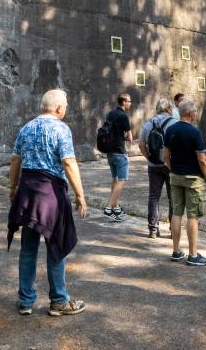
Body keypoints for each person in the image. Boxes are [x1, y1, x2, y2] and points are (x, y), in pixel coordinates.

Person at [7, 89, 88, 316]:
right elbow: (69, 163)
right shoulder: (61, 129)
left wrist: (12, 188)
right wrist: (80, 195)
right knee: (56, 247)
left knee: (28, 248)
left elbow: (15, 161)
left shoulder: (27, 128)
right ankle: (59, 301)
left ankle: (25, 301)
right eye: (66, 106)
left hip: (28, 192)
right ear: (59, 108)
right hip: (51, 194)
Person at [163, 99, 206, 266]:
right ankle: (193, 254)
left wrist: (172, 170)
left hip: (175, 176)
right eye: (196, 112)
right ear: (191, 114)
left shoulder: (170, 130)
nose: (196, 114)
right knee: (192, 216)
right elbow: (202, 159)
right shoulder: (194, 132)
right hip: (193, 178)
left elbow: (165, 156)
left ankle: (176, 251)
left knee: (176, 213)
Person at [139, 98, 176, 238]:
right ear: (169, 109)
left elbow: (141, 145)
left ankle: (153, 230)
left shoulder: (149, 124)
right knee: (174, 198)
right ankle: (174, 230)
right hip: (171, 165)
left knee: (154, 196)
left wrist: (148, 157)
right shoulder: (174, 123)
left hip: (153, 165)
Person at [101, 94, 133, 222]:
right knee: (122, 180)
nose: (130, 104)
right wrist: (127, 140)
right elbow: (130, 136)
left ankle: (116, 206)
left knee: (115, 179)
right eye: (129, 102)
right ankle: (109, 208)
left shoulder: (110, 114)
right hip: (120, 152)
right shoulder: (123, 116)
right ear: (124, 102)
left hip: (110, 153)